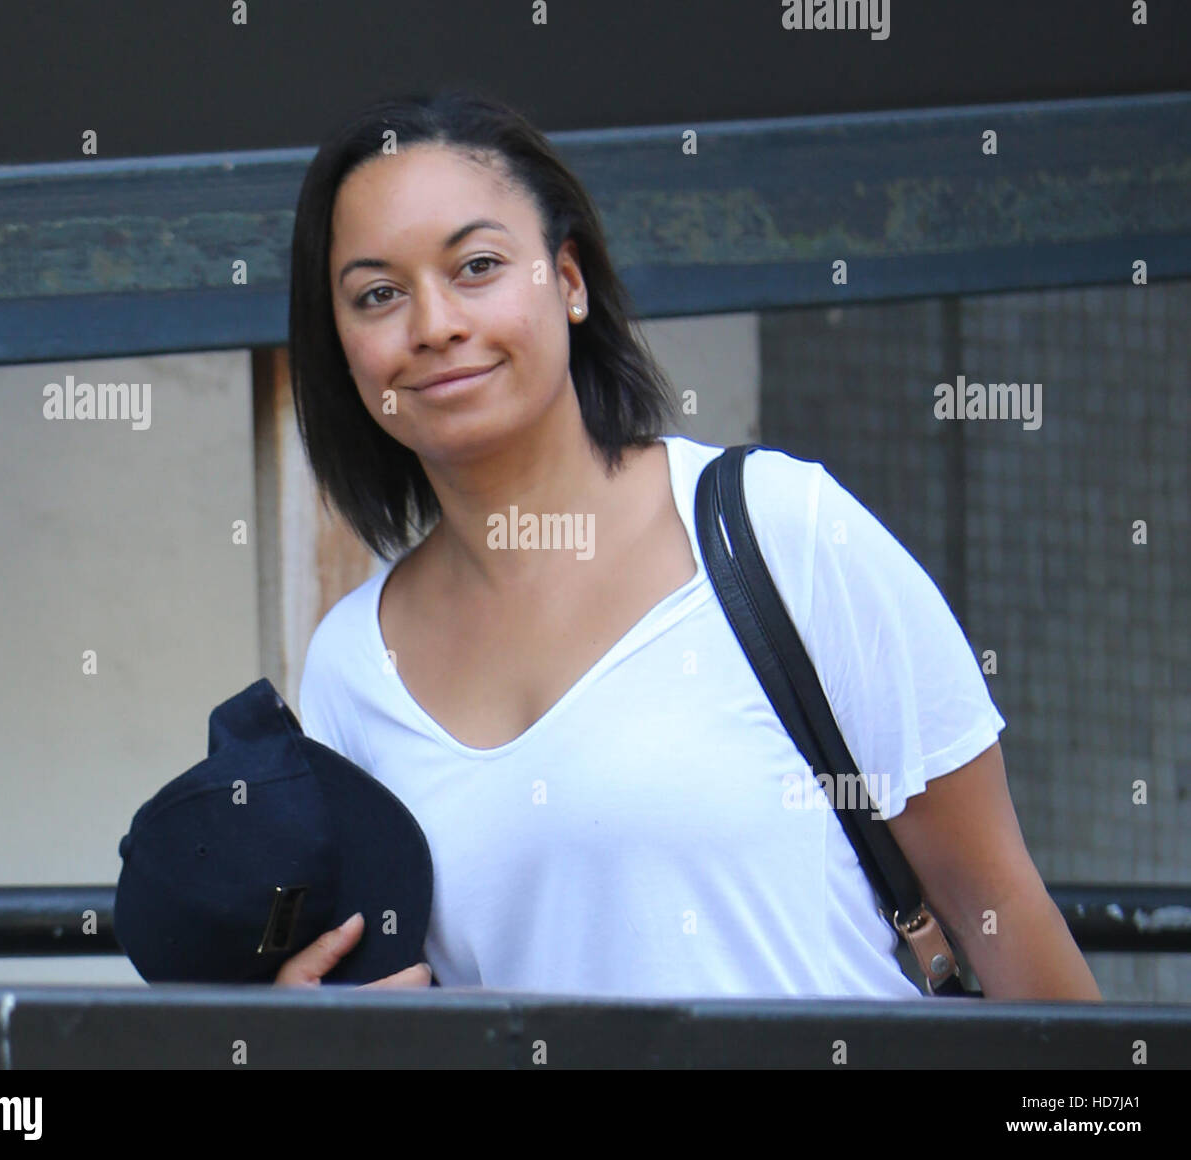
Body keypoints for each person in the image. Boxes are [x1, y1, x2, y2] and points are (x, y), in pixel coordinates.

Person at [274, 87, 1102, 1001]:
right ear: (342, 346)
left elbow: (1001, 908)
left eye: (477, 266)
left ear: (571, 281)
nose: (434, 325)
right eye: (379, 294)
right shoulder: (353, 667)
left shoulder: (778, 531)